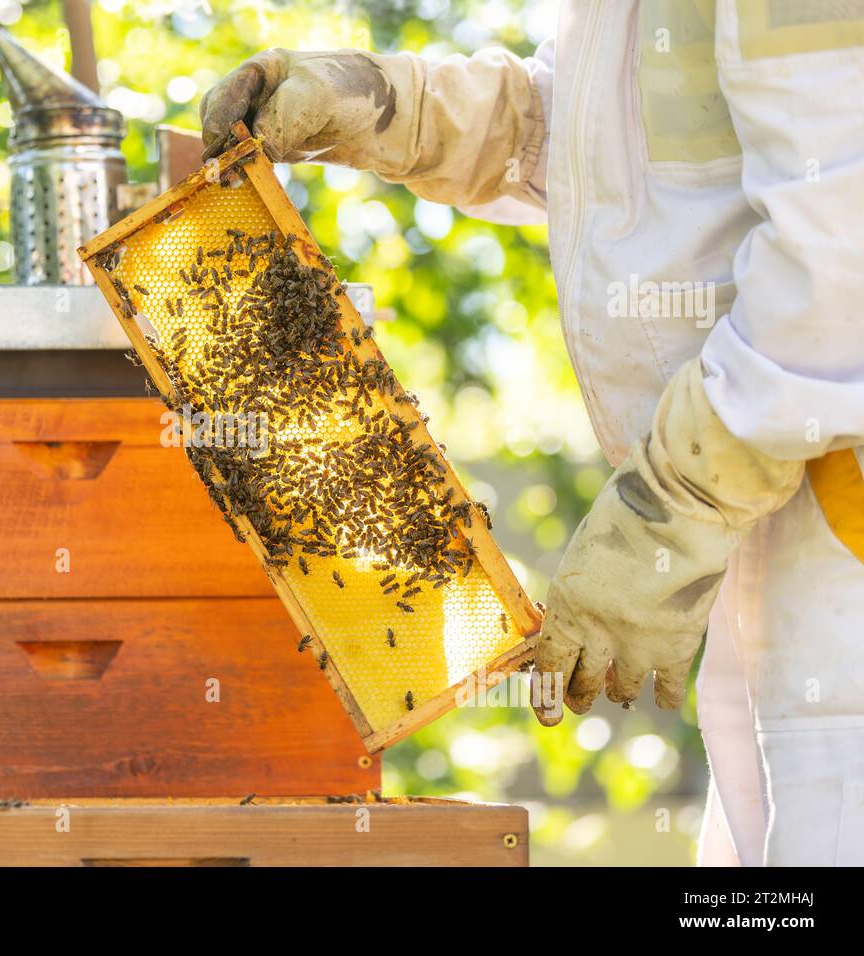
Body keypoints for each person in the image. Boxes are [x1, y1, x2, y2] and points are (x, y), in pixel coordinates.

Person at [199, 2, 864, 866]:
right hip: (772, 529)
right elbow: (599, 137)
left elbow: (842, 248)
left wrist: (682, 502)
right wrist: (392, 105)